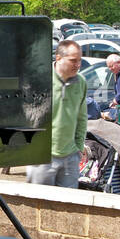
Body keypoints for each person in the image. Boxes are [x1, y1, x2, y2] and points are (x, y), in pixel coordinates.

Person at [29, 40, 86, 188]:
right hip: (42, 156)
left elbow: (81, 117)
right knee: (38, 204)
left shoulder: (81, 82)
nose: (78, 65)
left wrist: (79, 147)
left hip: (71, 156)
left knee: (69, 206)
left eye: (79, 60)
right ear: (59, 58)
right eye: (73, 60)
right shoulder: (39, 79)